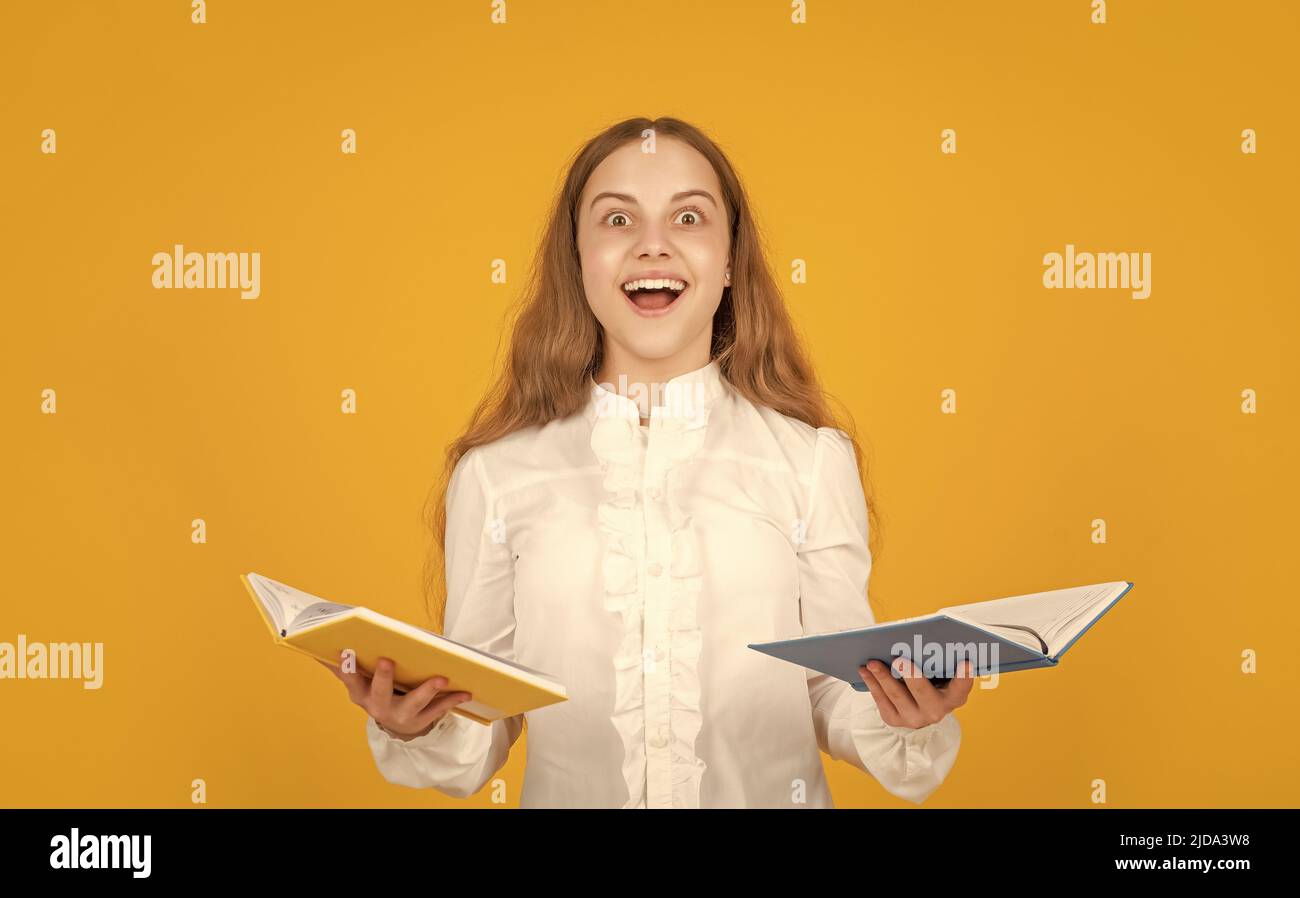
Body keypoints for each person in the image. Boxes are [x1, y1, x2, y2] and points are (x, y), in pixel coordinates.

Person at [322, 116, 975, 808]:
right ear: (578, 260)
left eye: (689, 217)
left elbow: (829, 690)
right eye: (617, 220)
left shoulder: (811, 462)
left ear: (728, 262)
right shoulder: (495, 474)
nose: (653, 245)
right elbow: (483, 721)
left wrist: (903, 717)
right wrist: (418, 725)